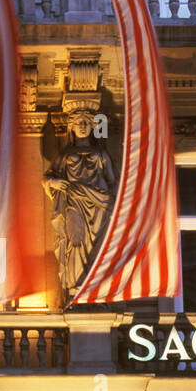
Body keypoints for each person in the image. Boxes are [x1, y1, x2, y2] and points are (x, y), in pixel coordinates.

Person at [43, 108, 116, 299]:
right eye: (78, 123)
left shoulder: (101, 153)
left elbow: (112, 180)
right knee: (75, 240)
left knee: (98, 244)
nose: (82, 126)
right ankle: (77, 286)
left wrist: (112, 201)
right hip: (73, 201)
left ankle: (96, 286)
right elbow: (48, 177)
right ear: (72, 127)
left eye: (86, 123)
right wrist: (53, 183)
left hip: (100, 204)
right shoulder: (66, 153)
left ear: (92, 127)